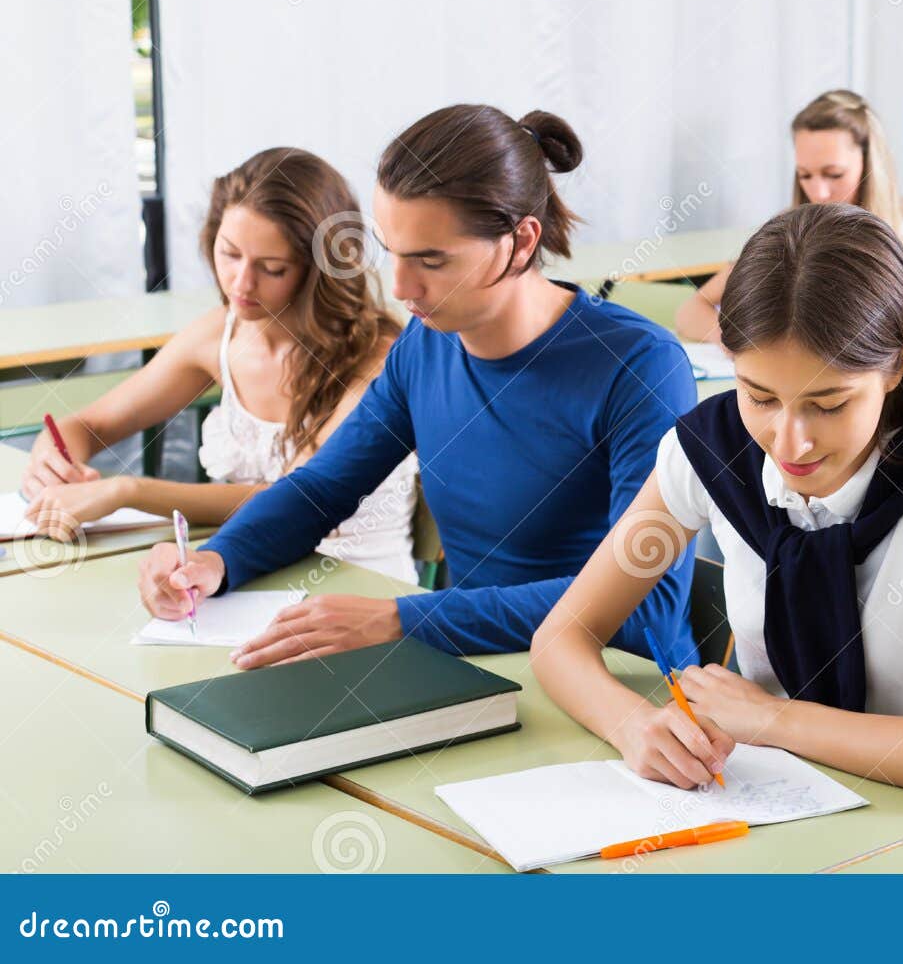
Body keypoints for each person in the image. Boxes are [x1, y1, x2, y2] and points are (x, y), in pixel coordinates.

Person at [134, 104, 697, 670]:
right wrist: (216, 560)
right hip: (489, 664)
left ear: (522, 243)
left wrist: (404, 619)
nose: (400, 287)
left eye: (430, 260)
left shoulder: (640, 367)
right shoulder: (426, 347)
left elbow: (645, 605)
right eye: (392, 253)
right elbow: (322, 491)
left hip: (628, 688)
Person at [532, 202, 903, 806]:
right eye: (760, 397)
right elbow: (561, 638)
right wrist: (631, 725)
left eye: (828, 404)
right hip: (771, 802)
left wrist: (773, 720)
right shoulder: (711, 451)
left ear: (897, 365)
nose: (790, 443)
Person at [23, 147, 416, 581]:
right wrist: (53, 463)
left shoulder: (375, 358)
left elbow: (298, 503)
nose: (241, 284)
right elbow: (87, 426)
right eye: (229, 254)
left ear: (317, 271)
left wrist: (125, 490)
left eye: (272, 268)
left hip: (356, 586)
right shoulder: (220, 334)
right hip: (245, 574)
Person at [675, 89, 903, 344]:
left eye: (835, 174)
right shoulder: (786, 236)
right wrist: (746, 345)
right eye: (805, 175)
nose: (819, 193)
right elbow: (690, 313)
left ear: (871, 166)